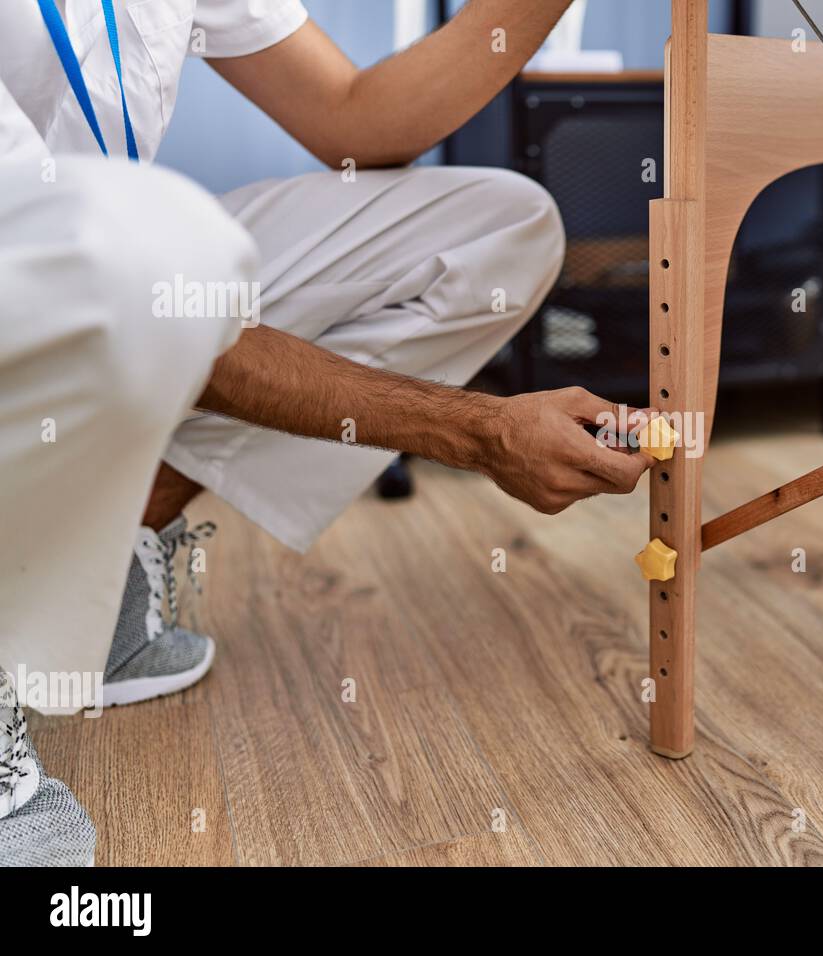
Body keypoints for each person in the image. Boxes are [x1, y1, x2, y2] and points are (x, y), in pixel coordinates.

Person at [0, 0, 653, 865]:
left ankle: (107, 558)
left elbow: (354, 117)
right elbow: (99, 288)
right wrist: (481, 432)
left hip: (108, 275)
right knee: (156, 255)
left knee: (500, 227)